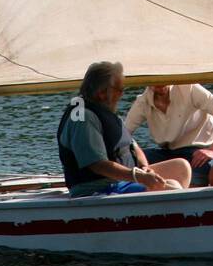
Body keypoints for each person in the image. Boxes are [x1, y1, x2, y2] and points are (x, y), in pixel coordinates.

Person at [57, 61, 192, 196]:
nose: (122, 94)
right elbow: (98, 164)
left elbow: (133, 146)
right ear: (102, 93)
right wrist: (138, 176)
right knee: (172, 188)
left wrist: (144, 168)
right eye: (119, 90)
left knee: (181, 168)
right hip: (97, 188)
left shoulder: (105, 110)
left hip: (124, 179)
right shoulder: (83, 117)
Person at [126, 83, 213, 186]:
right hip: (168, 153)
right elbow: (124, 135)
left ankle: (185, 201)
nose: (159, 83)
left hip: (200, 152)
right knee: (129, 161)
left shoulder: (190, 89)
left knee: (192, 181)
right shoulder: (143, 101)